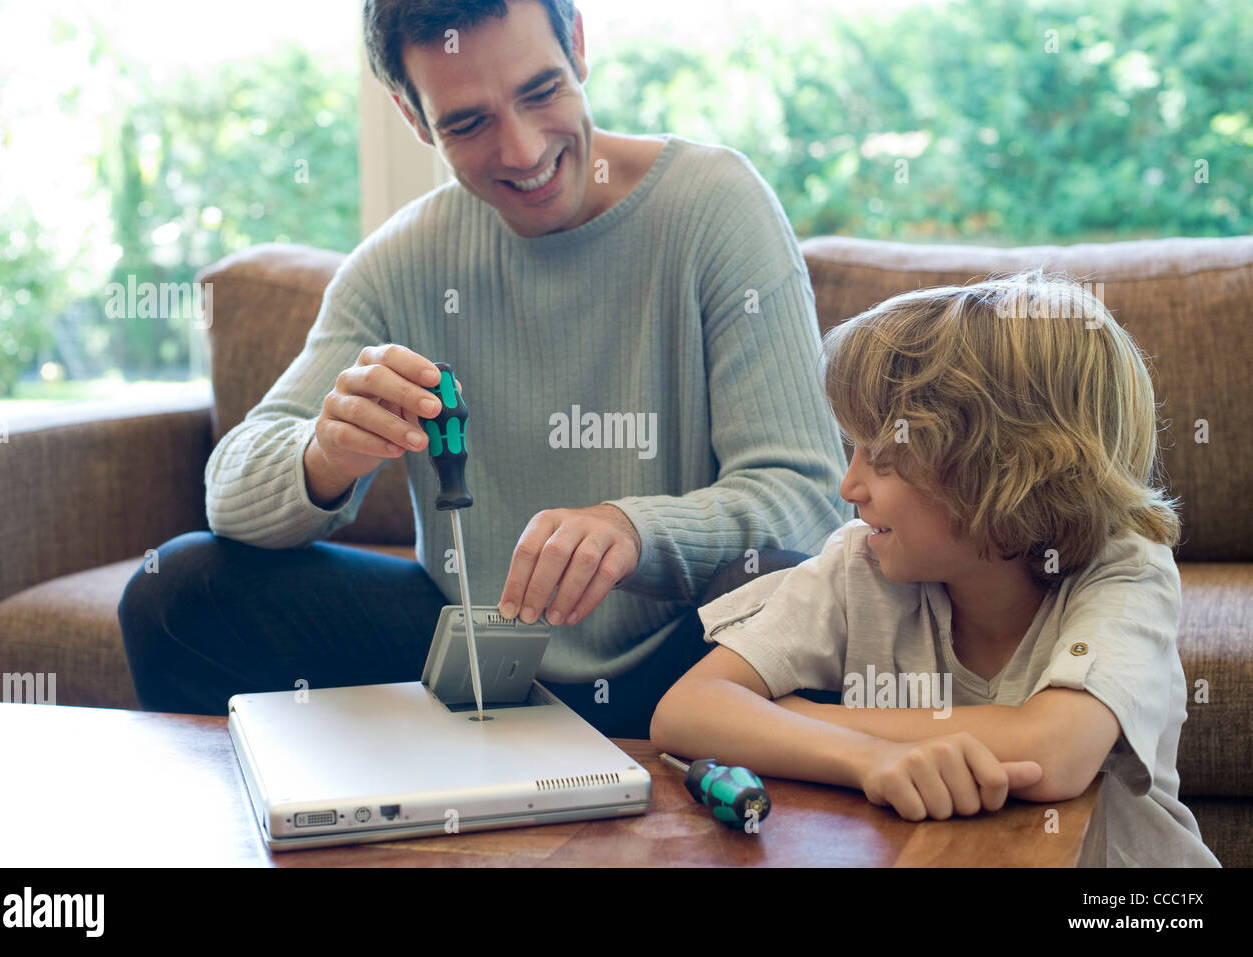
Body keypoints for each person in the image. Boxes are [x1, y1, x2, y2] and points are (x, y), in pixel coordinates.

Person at [117, 0, 851, 737]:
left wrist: (635, 531)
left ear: (580, 47)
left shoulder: (716, 205)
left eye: (541, 92)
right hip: (467, 655)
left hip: (679, 671)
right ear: (412, 116)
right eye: (467, 123)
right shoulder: (400, 262)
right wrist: (324, 454)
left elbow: (811, 503)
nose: (524, 150)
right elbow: (231, 490)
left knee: (776, 582)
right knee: (176, 591)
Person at [651, 272, 1221, 867]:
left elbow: (1054, 752)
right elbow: (686, 710)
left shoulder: (1124, 570)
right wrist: (866, 758)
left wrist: (804, 719)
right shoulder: (862, 563)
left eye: (885, 457)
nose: (850, 486)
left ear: (1003, 471)